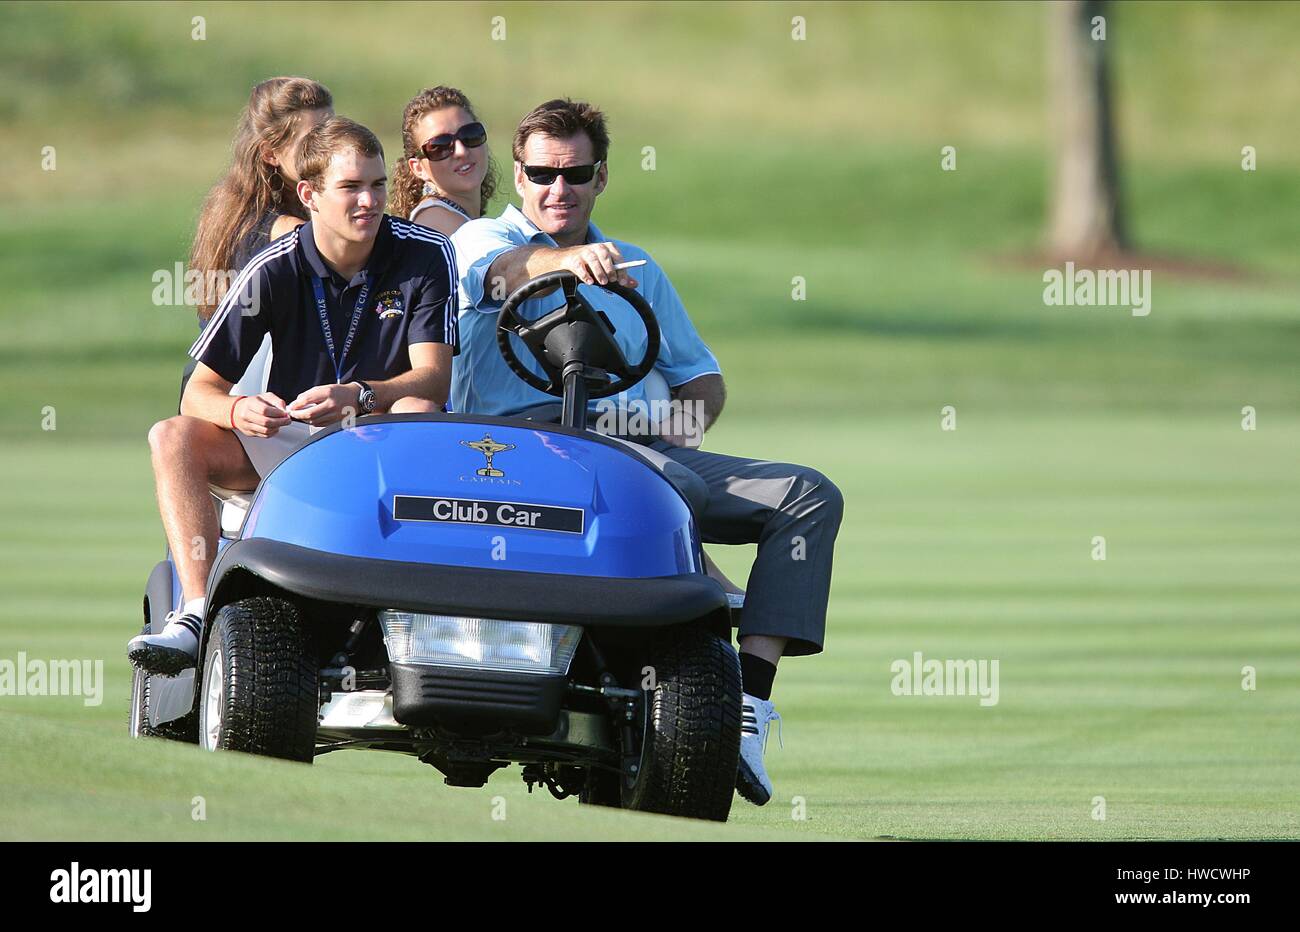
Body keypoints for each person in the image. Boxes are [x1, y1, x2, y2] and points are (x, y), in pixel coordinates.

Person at [450, 99, 843, 806]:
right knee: (671, 494)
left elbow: (702, 377)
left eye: (575, 174)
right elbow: (503, 274)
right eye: (541, 173)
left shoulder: (637, 268)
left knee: (807, 495)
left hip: (634, 443)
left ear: (601, 177)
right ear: (517, 174)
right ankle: (690, 619)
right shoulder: (480, 239)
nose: (556, 189)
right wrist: (568, 262)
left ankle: (747, 705)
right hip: (520, 447)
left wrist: (673, 424)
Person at [129, 117, 459, 676]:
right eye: (351, 187)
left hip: (379, 433)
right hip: (293, 432)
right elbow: (198, 392)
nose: (370, 201)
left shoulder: (425, 253)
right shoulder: (274, 267)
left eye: (378, 185)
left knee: (419, 411)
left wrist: (359, 395)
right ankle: (193, 611)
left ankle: (413, 607)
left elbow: (434, 379)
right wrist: (238, 408)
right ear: (309, 195)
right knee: (172, 437)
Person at [180, 76, 335, 401]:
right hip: (246, 398)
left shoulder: (230, 206)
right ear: (270, 154)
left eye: (332, 132)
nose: (330, 147)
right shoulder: (287, 231)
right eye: (313, 139)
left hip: (224, 389)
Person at [389, 85, 498, 236]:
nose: (461, 151)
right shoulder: (435, 222)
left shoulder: (456, 216)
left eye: (470, 135)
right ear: (418, 168)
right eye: (439, 147)